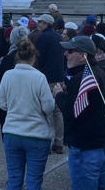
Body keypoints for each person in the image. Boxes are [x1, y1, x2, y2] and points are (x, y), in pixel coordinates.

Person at [54, 36, 105, 190]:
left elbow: (72, 112)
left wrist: (59, 95)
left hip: (85, 147)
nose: (65, 54)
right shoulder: (99, 73)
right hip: (101, 144)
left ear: (82, 56)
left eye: (70, 51)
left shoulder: (84, 78)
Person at [0, 38, 54, 190]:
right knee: (34, 180)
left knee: (14, 179)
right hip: (36, 133)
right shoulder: (39, 77)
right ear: (33, 57)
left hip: (12, 132)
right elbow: (49, 107)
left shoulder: (8, 75)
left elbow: (2, 104)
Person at [33, 13, 65, 154]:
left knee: (44, 110)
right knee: (57, 111)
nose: (38, 24)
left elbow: (38, 58)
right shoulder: (59, 37)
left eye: (40, 22)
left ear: (46, 24)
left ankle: (46, 141)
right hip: (59, 77)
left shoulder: (43, 37)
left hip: (46, 78)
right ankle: (59, 142)